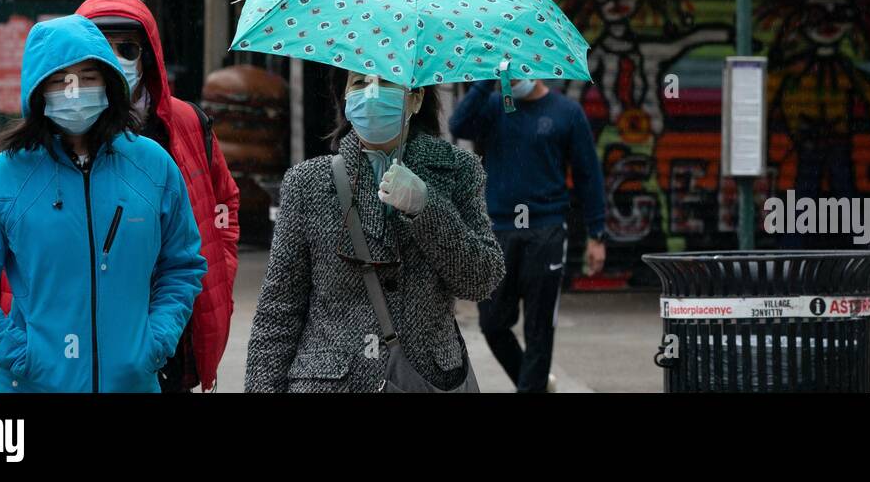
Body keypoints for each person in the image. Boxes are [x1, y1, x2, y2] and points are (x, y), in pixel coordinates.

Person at [0, 0, 240, 393]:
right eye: (60, 80)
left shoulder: (152, 165)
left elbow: (183, 266)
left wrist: (153, 344)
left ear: (109, 85)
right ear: (38, 89)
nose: (75, 92)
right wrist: (20, 355)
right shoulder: (5, 176)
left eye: (88, 78)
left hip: (134, 383)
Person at [244, 70, 504, 392]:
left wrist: (427, 207)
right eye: (360, 83)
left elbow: (481, 279)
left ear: (416, 98)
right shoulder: (307, 182)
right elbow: (279, 306)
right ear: (346, 100)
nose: (372, 93)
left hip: (426, 380)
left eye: (387, 82)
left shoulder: (457, 170)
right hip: (330, 383)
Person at [449, 77, 607, 393]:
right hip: (498, 231)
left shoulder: (567, 112)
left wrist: (597, 234)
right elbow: (458, 124)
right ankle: (534, 384)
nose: (514, 74)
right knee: (492, 324)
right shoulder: (494, 106)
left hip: (546, 231)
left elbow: (588, 174)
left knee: (539, 331)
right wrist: (485, 82)